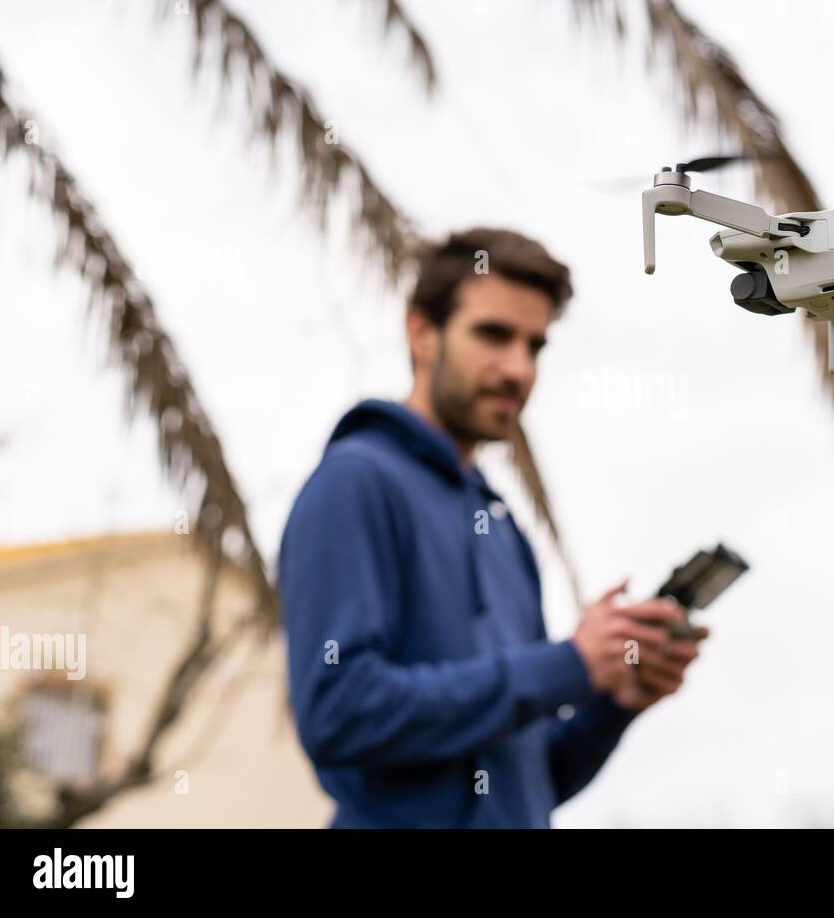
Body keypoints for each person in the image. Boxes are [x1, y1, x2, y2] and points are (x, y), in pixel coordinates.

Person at [278, 227, 707, 828]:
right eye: (493, 335)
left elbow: (528, 783)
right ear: (421, 333)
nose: (518, 368)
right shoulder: (354, 485)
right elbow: (338, 712)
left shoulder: (506, 537)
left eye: (535, 346)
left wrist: (615, 703)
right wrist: (567, 665)